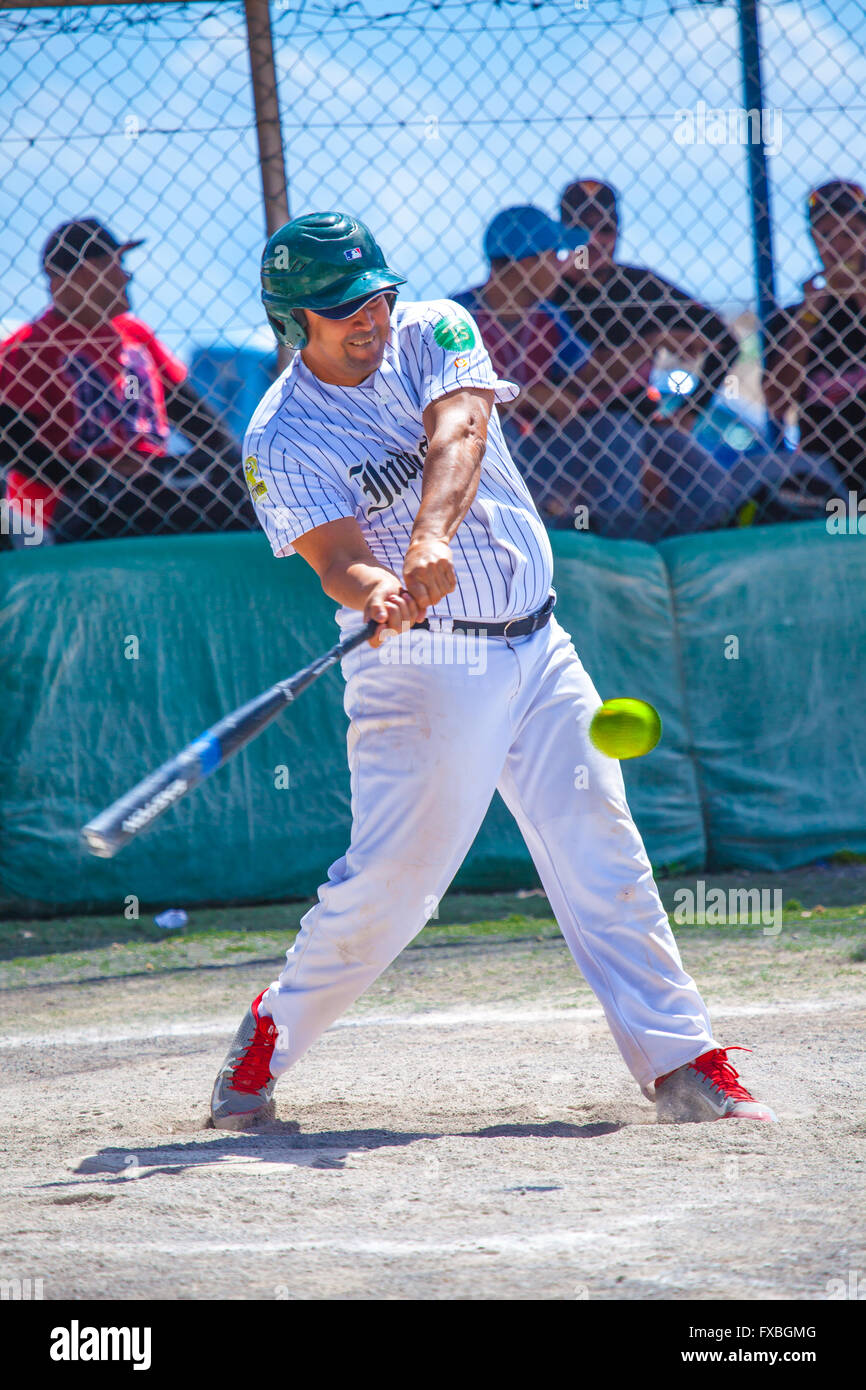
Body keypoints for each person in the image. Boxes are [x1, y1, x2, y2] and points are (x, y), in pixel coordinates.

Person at [209, 209, 777, 1130]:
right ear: (292, 321)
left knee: (604, 843)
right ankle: (273, 1028)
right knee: (397, 885)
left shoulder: (435, 328)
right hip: (426, 667)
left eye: (375, 294)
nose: (371, 315)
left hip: (540, 642)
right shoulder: (280, 434)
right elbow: (333, 556)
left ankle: (684, 1061)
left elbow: (462, 430)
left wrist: (431, 534)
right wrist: (379, 590)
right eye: (343, 305)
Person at [546, 179, 840, 537]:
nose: (595, 241)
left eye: (605, 229)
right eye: (582, 229)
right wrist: (652, 341)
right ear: (562, 233)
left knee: (709, 495)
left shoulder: (639, 287)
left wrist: (689, 412)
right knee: (615, 457)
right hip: (569, 432)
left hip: (642, 425)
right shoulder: (547, 292)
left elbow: (723, 342)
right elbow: (577, 380)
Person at [0, 218, 254, 544]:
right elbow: (12, 442)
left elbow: (196, 419)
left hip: (147, 494)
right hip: (68, 508)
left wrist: (232, 467)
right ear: (68, 279)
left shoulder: (135, 335)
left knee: (239, 489)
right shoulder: (27, 349)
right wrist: (94, 478)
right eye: (111, 264)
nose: (125, 275)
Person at [764, 180, 866, 498]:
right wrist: (808, 319)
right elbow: (776, 403)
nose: (837, 247)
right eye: (825, 235)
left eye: (849, 234)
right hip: (823, 469)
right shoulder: (796, 315)